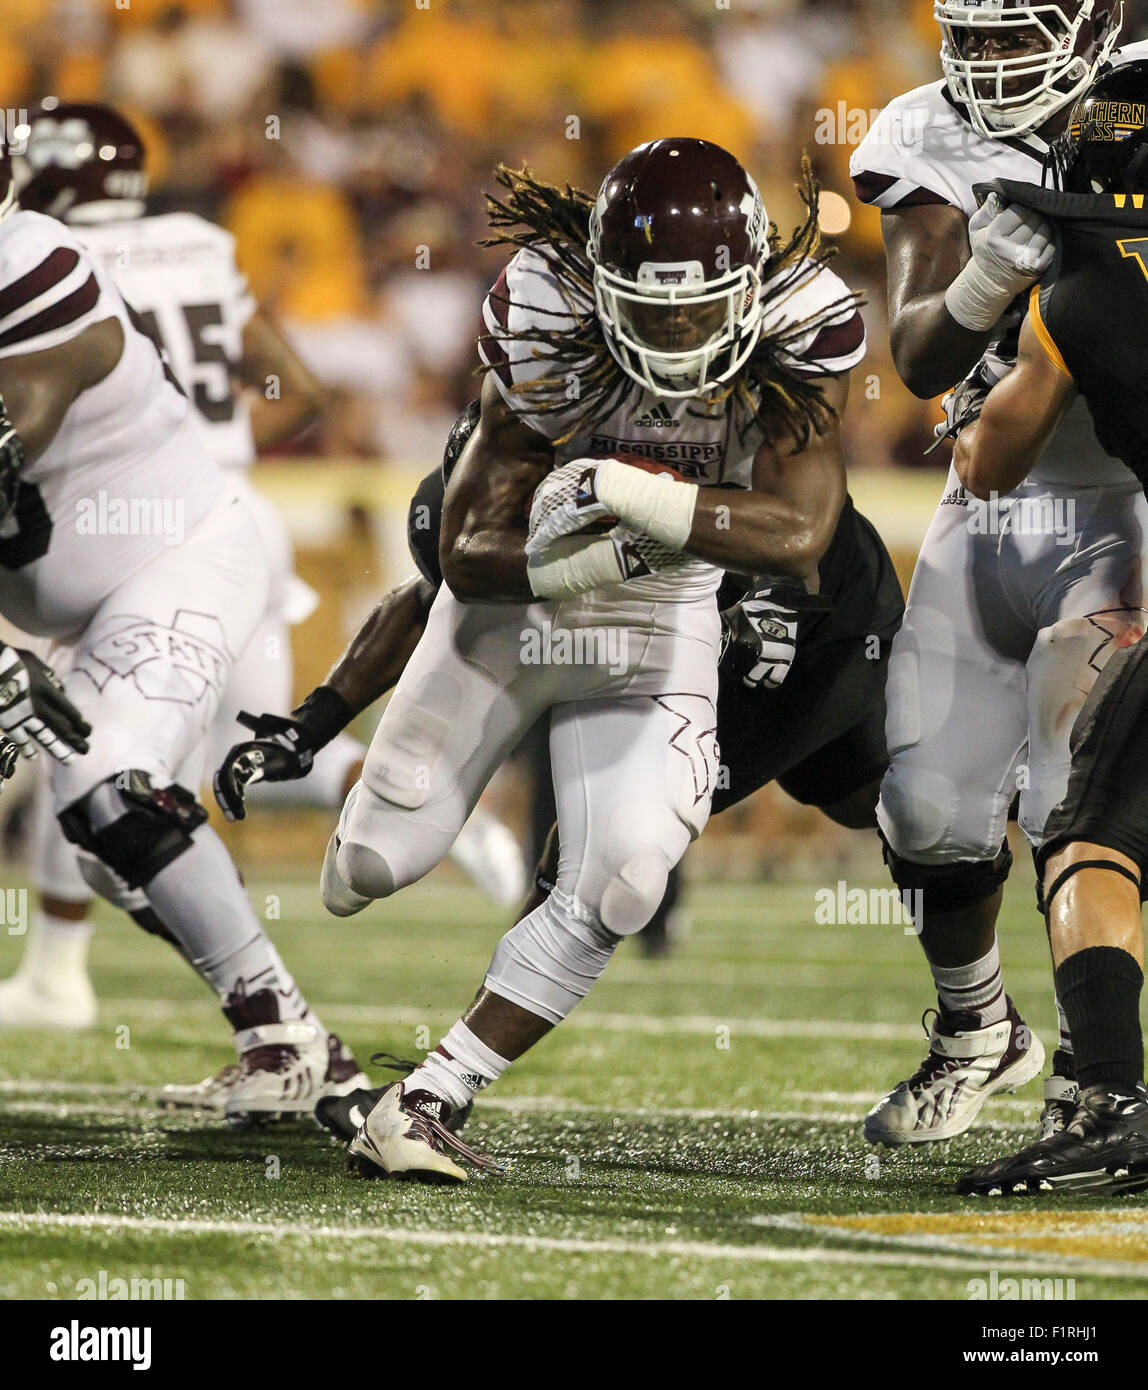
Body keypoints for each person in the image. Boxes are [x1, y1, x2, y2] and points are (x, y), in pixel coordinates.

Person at [224, 137, 877, 1181]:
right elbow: (463, 557)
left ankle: (431, 1095)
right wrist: (599, 551)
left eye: (696, 307)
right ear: (601, 289)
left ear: (750, 289)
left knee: (622, 876)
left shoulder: (800, 331)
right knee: (367, 866)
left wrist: (628, 494)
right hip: (515, 621)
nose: (672, 330)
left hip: (659, 627)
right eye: (648, 306)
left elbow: (798, 532)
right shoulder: (545, 320)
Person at [0, 135, 366, 1122]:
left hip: (175, 560)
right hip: (81, 598)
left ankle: (292, 1044)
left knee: (108, 790)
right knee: (107, 849)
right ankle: (295, 1046)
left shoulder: (30, 264)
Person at [850, 0, 1146, 1146]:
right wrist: (983, 283)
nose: (983, 61)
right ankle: (975, 1029)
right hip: (987, 494)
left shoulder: (1132, 94)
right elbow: (920, 355)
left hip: (1122, 491)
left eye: (1012, 36)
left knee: (1075, 801)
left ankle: (1091, 1070)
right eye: (968, 36)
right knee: (923, 803)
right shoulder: (925, 130)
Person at [948, 60, 1148, 1194]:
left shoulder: (1078, 291)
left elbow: (987, 463)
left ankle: (1108, 1100)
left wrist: (986, 349)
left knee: (1089, 835)